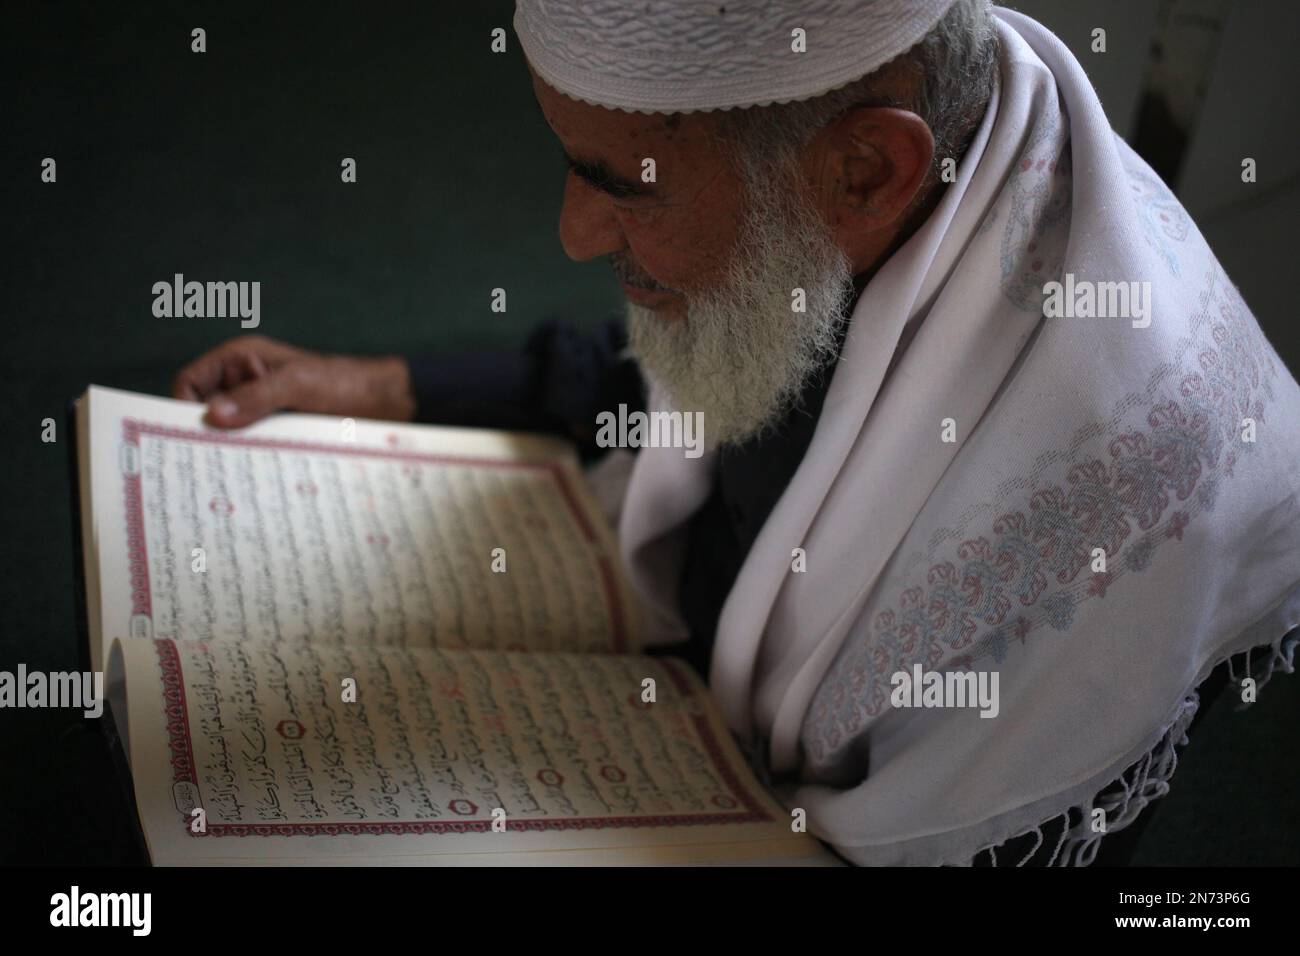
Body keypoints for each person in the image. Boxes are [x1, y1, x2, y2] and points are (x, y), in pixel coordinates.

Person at [173, 0, 1300, 866]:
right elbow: (695, 360)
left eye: (617, 184)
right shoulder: (852, 190)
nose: (570, 235)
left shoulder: (1110, 498)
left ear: (864, 171)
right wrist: (389, 382)